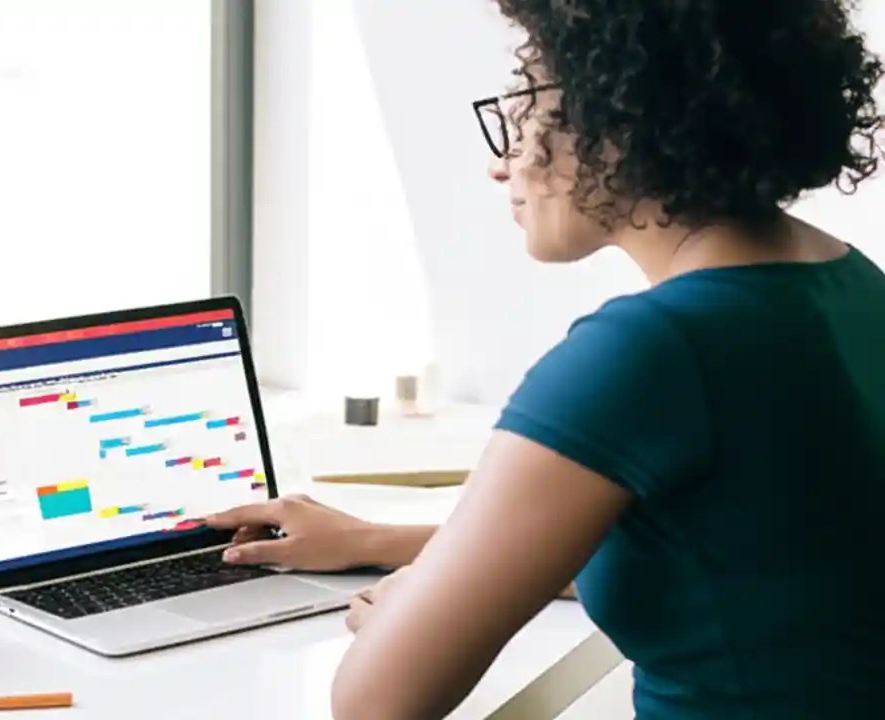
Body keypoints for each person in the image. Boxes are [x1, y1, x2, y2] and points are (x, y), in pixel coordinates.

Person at [206, 1, 885, 717]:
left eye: (526, 112)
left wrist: (412, 600)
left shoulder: (650, 350)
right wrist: (378, 540)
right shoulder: (850, 284)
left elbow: (377, 703)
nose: (504, 163)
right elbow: (724, 557)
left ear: (618, 122)